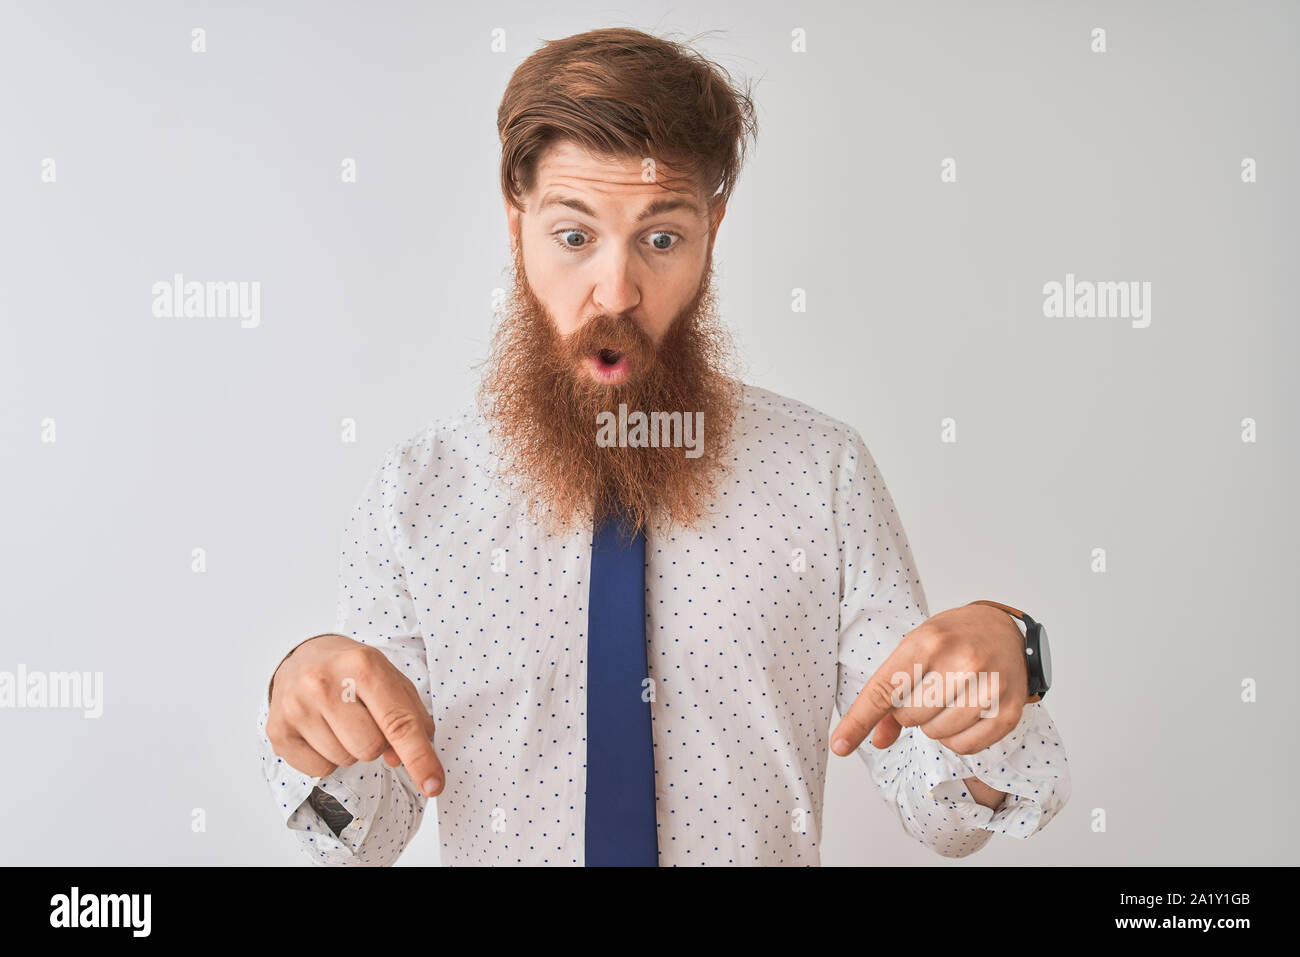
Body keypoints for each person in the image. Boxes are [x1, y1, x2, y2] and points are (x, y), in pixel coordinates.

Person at [256, 26, 1069, 866]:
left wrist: (996, 674)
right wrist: (305, 709)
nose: (616, 290)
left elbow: (949, 813)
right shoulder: (415, 491)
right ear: (516, 225)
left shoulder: (822, 471)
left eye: (661, 238)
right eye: (574, 237)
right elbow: (364, 831)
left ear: (712, 231)